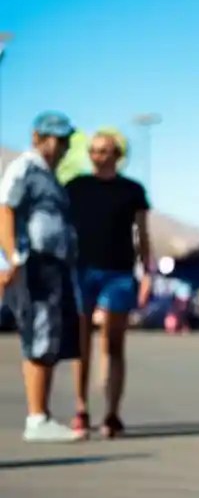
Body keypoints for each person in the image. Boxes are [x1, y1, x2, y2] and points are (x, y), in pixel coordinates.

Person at [0, 111, 85, 442]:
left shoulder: (51, 176)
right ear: (38, 137)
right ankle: (36, 417)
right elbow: (5, 209)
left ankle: (43, 414)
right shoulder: (25, 168)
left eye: (64, 140)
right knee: (38, 334)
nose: (60, 146)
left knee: (51, 338)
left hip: (55, 264)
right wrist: (12, 258)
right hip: (34, 262)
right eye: (55, 138)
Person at [65, 129, 152, 438]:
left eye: (105, 151)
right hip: (81, 270)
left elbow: (142, 234)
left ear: (118, 155)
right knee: (81, 342)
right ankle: (81, 409)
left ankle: (112, 413)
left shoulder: (132, 191)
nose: (99, 156)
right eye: (94, 151)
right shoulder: (76, 187)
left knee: (114, 344)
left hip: (119, 272)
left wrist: (147, 273)